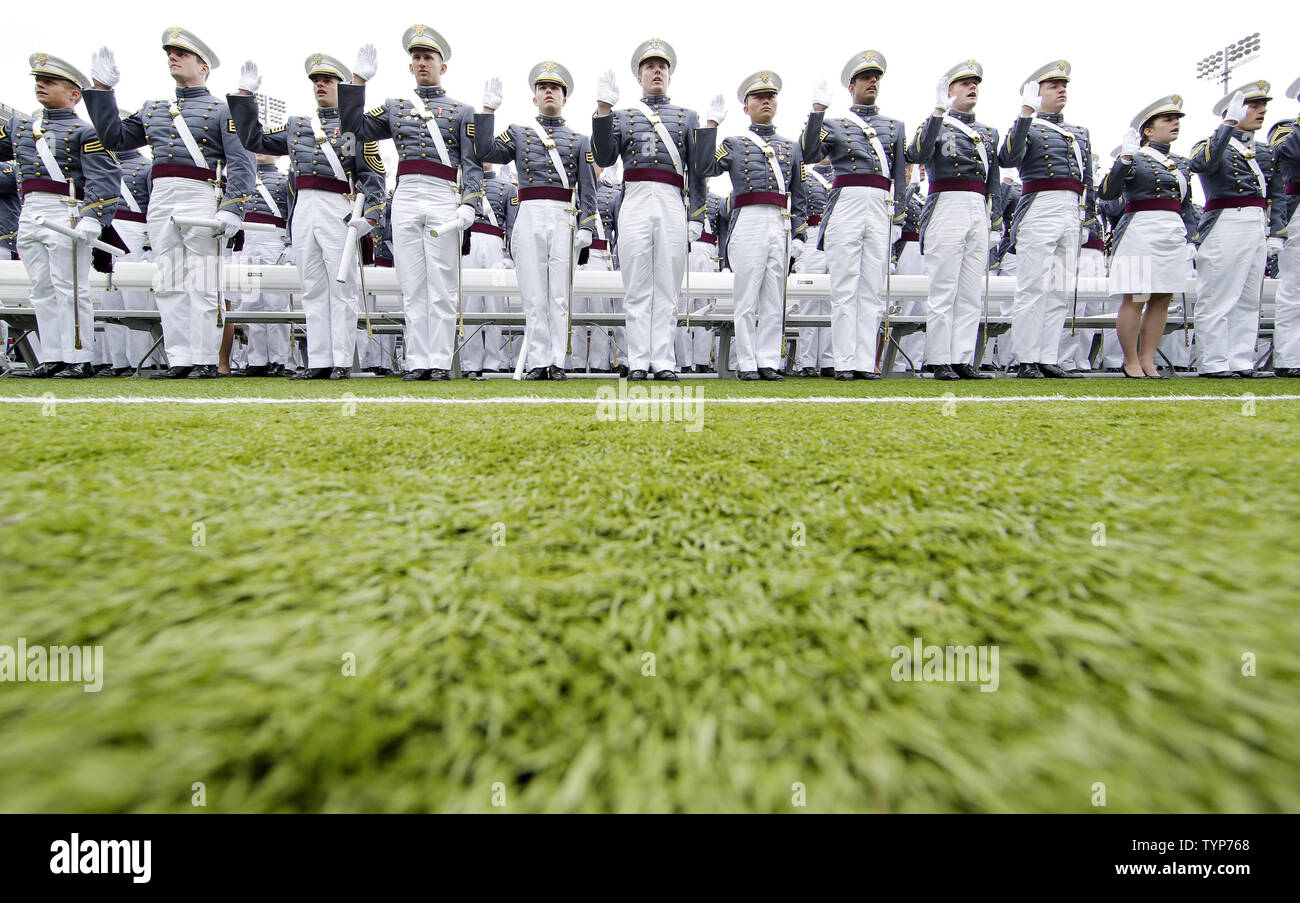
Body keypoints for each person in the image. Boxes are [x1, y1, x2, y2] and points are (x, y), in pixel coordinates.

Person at [85, 29, 256, 379]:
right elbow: (115, 137)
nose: (173, 58)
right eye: (170, 54)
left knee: (204, 281)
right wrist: (102, 91)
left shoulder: (222, 110)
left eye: (182, 54)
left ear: (204, 66)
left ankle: (205, 357)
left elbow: (241, 161)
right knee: (168, 280)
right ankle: (180, 357)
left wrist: (233, 206)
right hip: (162, 195)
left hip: (200, 193)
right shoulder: (154, 109)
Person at [339, 25, 483, 381]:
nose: (421, 62)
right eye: (416, 57)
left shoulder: (462, 110)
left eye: (428, 57)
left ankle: (440, 360)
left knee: (442, 284)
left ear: (442, 66)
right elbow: (353, 128)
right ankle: (418, 360)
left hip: (441, 193)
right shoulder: (395, 107)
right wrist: (358, 82)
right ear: (410, 66)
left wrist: (470, 203)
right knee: (413, 283)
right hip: (405, 193)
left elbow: (472, 163)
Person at [230, 52, 386, 380]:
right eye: (316, 81)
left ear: (342, 86)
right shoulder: (297, 126)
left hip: (337, 206)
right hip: (303, 208)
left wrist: (371, 217)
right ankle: (319, 360)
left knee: (341, 287)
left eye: (327, 80)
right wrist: (245, 97)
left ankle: (341, 359)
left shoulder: (353, 128)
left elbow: (371, 174)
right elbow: (254, 139)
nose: (320, 85)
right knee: (312, 287)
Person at [591, 38, 707, 381]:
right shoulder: (624, 116)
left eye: (662, 67)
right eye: (650, 67)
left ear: (669, 75)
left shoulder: (687, 117)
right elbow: (603, 157)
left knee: (668, 286)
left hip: (671, 197)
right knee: (637, 284)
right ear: (639, 76)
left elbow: (697, 172)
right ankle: (639, 360)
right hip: (636, 197)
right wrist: (603, 111)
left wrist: (696, 215)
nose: (657, 72)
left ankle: (664, 360)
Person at [2, 53, 121, 379]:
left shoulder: (88, 132)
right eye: (39, 81)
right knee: (41, 287)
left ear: (74, 94)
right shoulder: (21, 127)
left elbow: (104, 177)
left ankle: (79, 356)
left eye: (50, 81)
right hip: (31, 210)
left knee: (70, 287)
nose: (40, 85)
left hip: (66, 210)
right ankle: (53, 355)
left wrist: (94, 216)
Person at [476, 62, 596, 380]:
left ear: (564, 98)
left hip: (563, 215)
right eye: (543, 88)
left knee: (559, 294)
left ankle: (557, 360)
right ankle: (538, 360)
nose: (548, 92)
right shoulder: (519, 133)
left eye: (555, 88)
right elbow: (485, 150)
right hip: (529, 212)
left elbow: (588, 188)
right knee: (533, 292)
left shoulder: (580, 140)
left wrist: (587, 225)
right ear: (535, 98)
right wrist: (487, 111)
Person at [696, 70, 808, 380]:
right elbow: (705, 167)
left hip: (779, 221)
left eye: (771, 96)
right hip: (748, 220)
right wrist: (711, 126)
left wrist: (799, 233)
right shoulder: (734, 143)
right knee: (746, 296)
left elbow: (799, 196)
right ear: (746, 107)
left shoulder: (791, 147)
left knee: (774, 297)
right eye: (759, 97)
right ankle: (746, 362)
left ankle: (768, 360)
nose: (766, 101)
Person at [801, 51, 906, 380]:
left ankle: (864, 361)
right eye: (865, 78)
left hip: (880, 203)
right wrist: (817, 112)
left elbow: (899, 176)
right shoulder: (835, 125)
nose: (872, 82)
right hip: (846, 201)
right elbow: (809, 153)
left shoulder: (894, 126)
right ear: (851, 86)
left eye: (876, 78)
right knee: (845, 286)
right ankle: (845, 361)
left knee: (872, 287)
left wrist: (899, 217)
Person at [998, 59, 1097, 379]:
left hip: (1071, 208)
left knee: (1058, 289)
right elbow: (1007, 157)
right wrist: (1025, 113)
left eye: (1063, 86)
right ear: (1036, 92)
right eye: (1053, 86)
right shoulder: (1028, 126)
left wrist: (1087, 218)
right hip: (1040, 205)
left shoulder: (1079, 132)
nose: (1061, 90)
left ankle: (1047, 356)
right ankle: (1026, 357)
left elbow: (1087, 180)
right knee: (1033, 287)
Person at [906, 60, 1000, 380]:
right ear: (949, 91)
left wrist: (995, 221)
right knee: (943, 287)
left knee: (971, 291)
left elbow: (993, 180)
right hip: (946, 203)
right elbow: (917, 153)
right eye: (964, 83)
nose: (972, 87)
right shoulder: (937, 124)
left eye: (975, 83)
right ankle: (939, 358)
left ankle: (962, 358)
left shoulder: (988, 133)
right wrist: (936, 113)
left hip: (977, 206)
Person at [1189, 80, 1285, 378]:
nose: (1261, 111)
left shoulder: (1266, 151)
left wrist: (1277, 232)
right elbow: (1201, 164)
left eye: (1263, 106)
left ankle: (1240, 359)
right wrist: (1228, 126)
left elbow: (1277, 194)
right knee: (1219, 294)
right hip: (1226, 221)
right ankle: (1213, 360)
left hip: (1256, 222)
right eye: (1253, 106)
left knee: (1248, 297)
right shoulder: (1210, 144)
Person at [1099, 95, 1196, 379]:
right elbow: (1107, 192)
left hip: (1171, 230)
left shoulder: (1180, 163)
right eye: (1168, 120)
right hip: (1141, 230)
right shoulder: (1135, 157)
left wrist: (1192, 238)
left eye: (1176, 120)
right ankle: (1130, 360)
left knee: (1162, 297)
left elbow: (1187, 205)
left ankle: (1148, 358)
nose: (1175, 123)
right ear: (1148, 131)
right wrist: (1125, 159)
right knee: (1137, 296)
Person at [1268, 78, 1300, 377]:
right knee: (1295, 288)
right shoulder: (1286, 130)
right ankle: (1290, 358)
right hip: (1298, 210)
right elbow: (1287, 152)